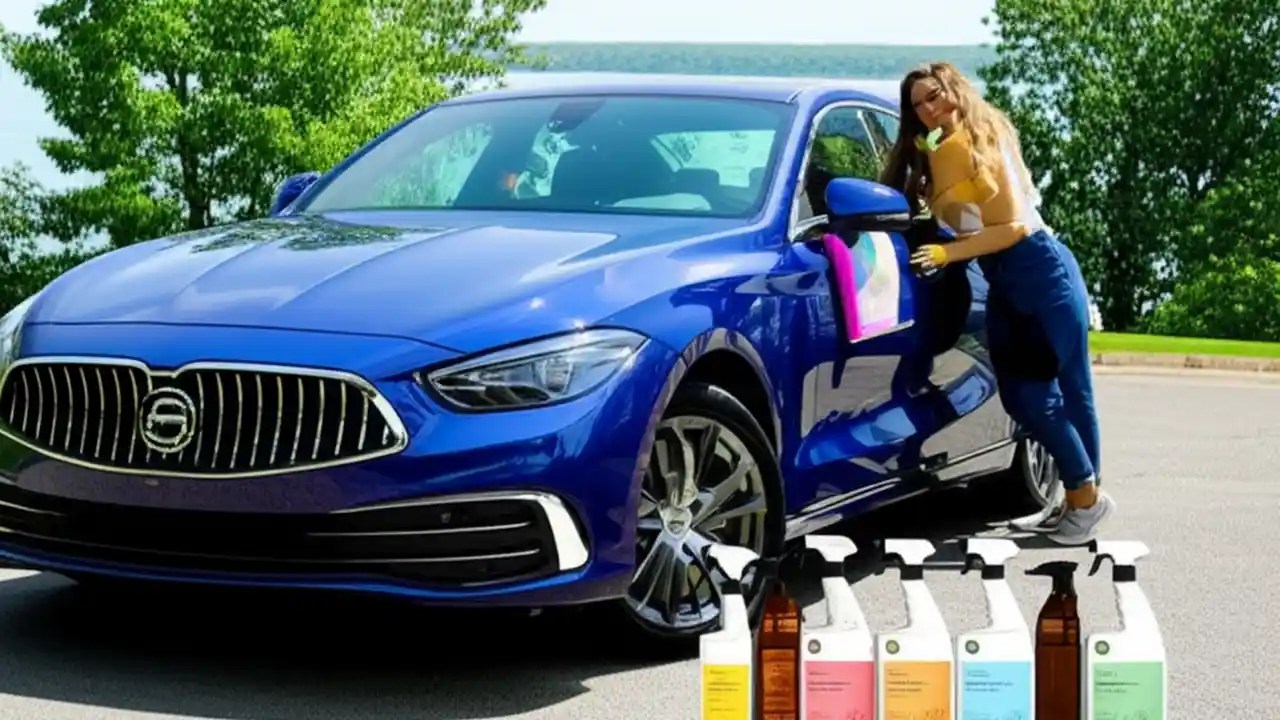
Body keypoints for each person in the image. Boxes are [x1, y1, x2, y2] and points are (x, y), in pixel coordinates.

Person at [878, 62, 1113, 545]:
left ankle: (1084, 502)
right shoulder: (939, 148)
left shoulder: (983, 136)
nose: (928, 109)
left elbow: (1013, 228)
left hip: (1038, 268)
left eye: (935, 96)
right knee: (1023, 395)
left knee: (1070, 388)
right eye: (918, 104)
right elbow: (965, 218)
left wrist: (948, 252)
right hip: (1003, 279)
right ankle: (1079, 496)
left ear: (954, 90)